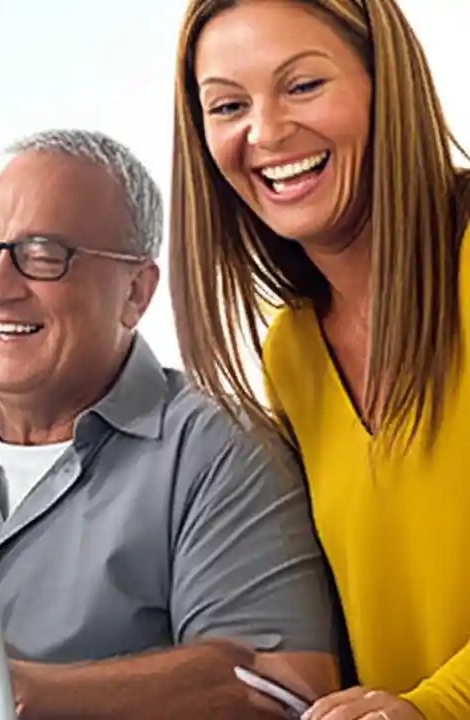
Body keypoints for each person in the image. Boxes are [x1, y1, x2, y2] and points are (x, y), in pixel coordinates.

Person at [0, 129, 339, 719]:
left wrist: (31, 696)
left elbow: (286, 691)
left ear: (136, 292)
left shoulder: (218, 450)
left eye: (43, 256)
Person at [171, 1, 470, 718]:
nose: (265, 132)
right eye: (228, 105)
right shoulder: (294, 351)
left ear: (385, 84)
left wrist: (430, 708)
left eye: (303, 86)